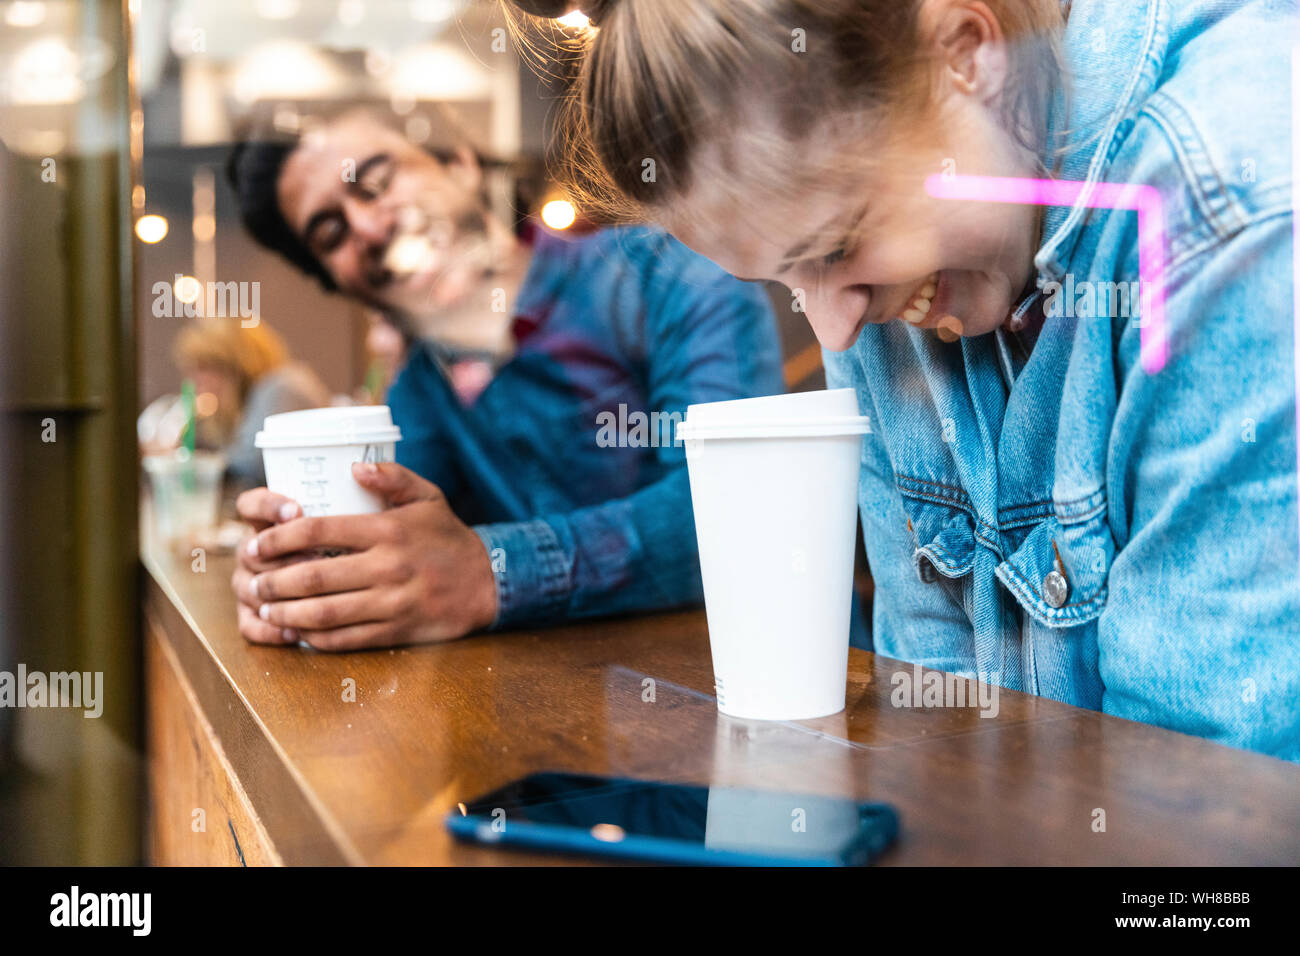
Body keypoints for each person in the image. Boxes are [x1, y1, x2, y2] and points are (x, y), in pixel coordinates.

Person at [506, 0, 1300, 759]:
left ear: (965, 52)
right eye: (789, 280)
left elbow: (1204, 838)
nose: (833, 330)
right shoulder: (880, 296)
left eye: (835, 245)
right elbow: (936, 737)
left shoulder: (1231, 210)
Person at [224, 107, 783, 649]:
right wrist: (295, 581)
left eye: (376, 180)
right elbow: (396, 555)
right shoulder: (420, 393)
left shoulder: (669, 275)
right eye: (331, 233)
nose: (368, 227)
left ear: (460, 163)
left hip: (790, 692)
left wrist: (488, 573)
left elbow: (735, 510)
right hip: (571, 719)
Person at [145, 318, 331, 488]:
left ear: (236, 365)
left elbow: (248, 468)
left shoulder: (281, 387)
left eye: (204, 368)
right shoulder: (259, 396)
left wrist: (180, 461)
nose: (196, 382)